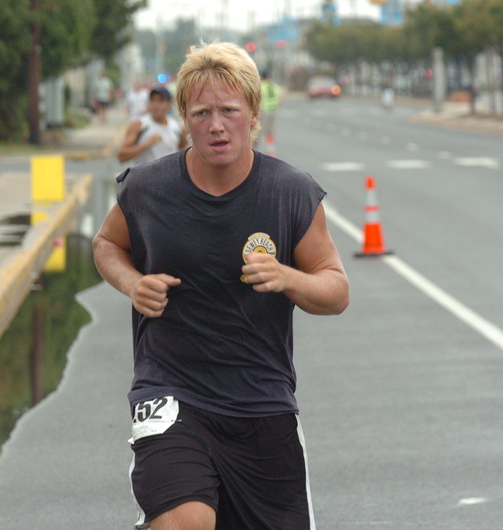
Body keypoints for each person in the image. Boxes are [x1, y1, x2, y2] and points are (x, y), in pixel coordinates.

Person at [92, 42, 349, 529]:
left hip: (261, 398)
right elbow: (106, 243)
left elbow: (336, 290)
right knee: (188, 520)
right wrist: (133, 282)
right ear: (184, 119)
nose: (216, 125)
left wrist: (287, 277)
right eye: (202, 112)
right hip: (170, 390)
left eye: (229, 111)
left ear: (253, 114)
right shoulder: (147, 188)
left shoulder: (290, 191)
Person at [117, 85, 188, 167]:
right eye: (152, 101)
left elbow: (184, 150)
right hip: (144, 178)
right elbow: (121, 156)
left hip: (168, 178)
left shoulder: (176, 127)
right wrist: (147, 144)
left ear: (169, 104)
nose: (155, 105)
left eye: (160, 101)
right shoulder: (140, 125)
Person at [256, 69, 281, 153]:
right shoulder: (274, 86)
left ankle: (253, 151)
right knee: (270, 132)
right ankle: (271, 150)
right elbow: (279, 97)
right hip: (273, 110)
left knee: (257, 131)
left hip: (264, 111)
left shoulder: (262, 86)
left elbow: (259, 99)